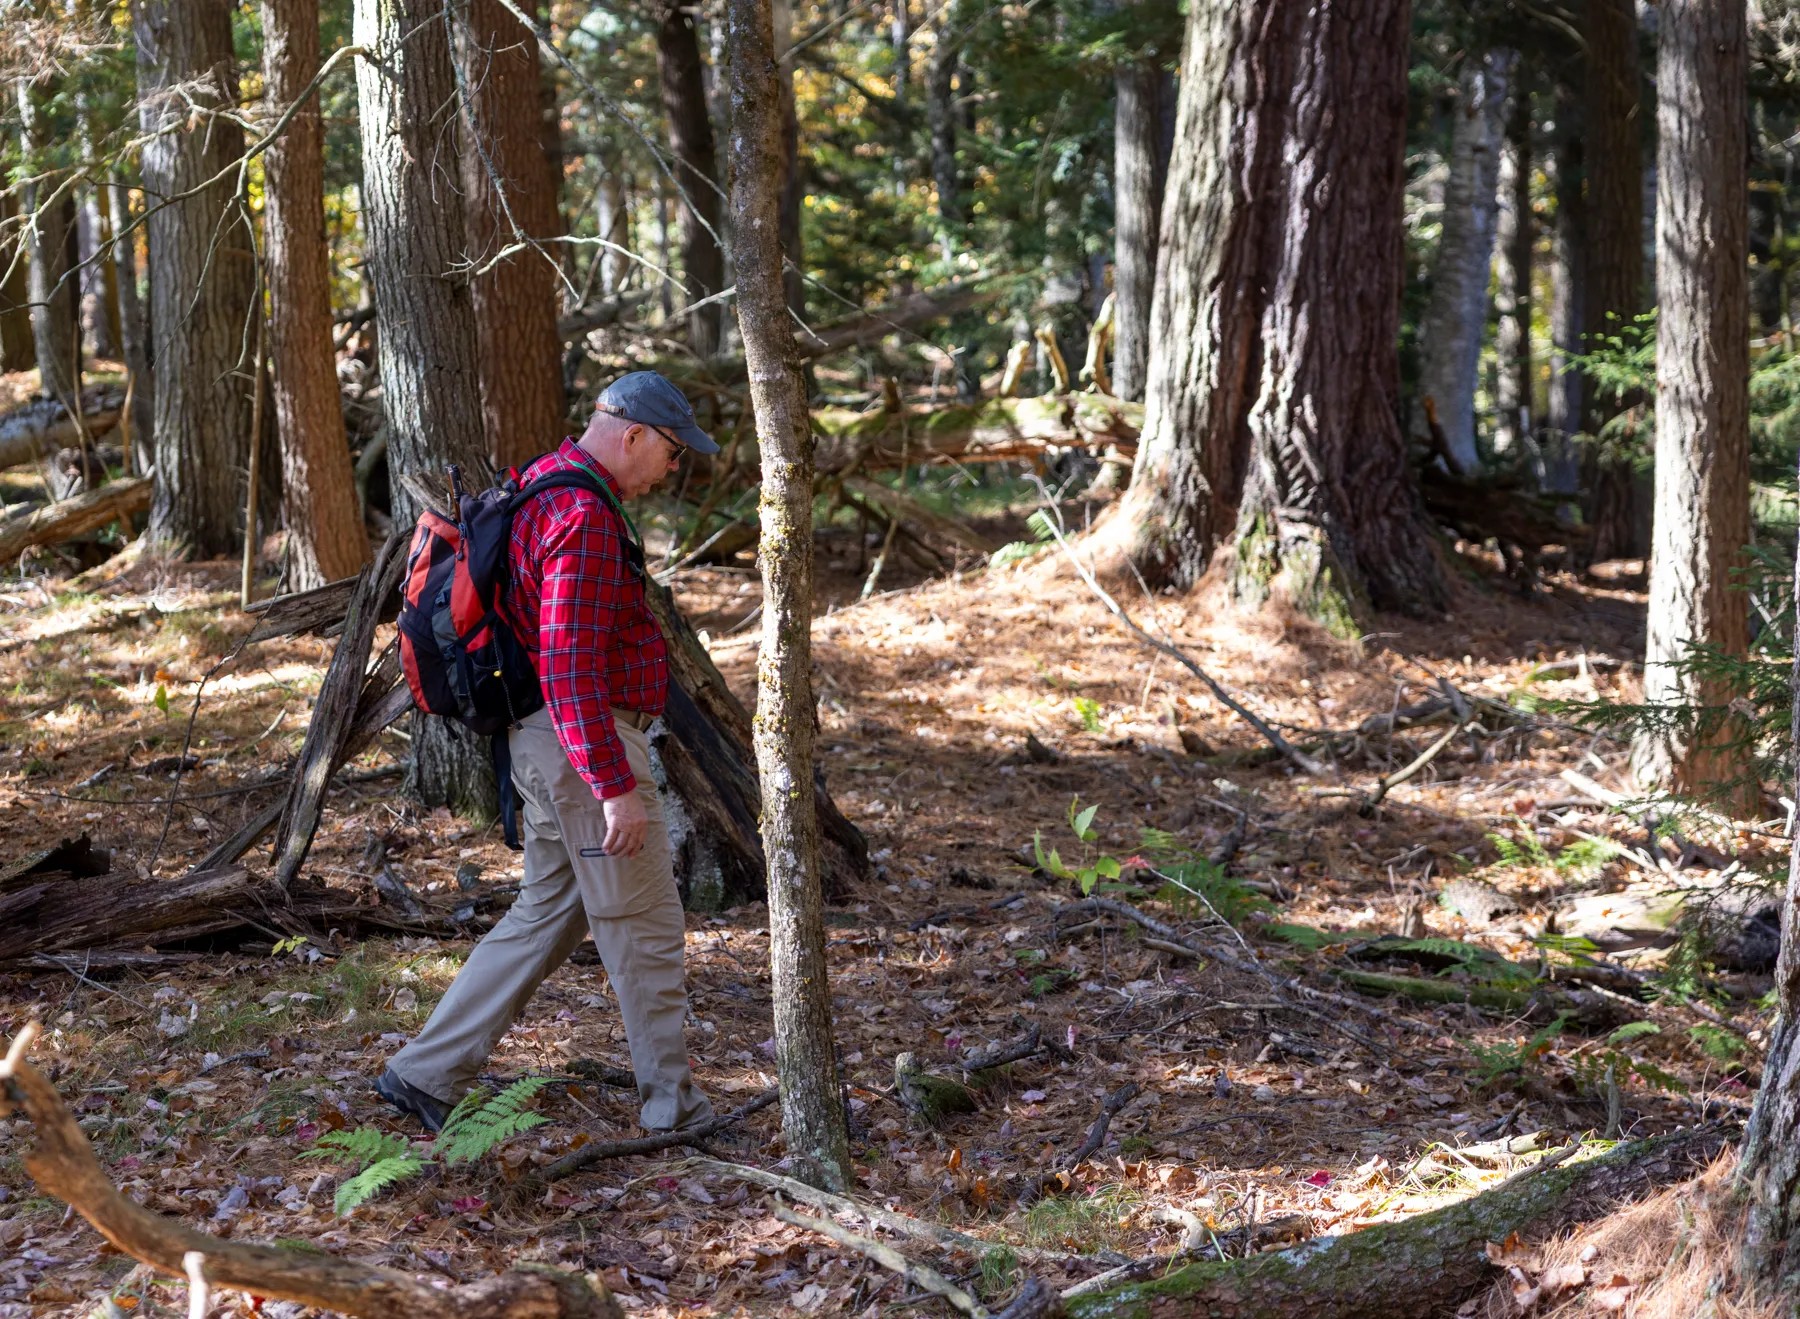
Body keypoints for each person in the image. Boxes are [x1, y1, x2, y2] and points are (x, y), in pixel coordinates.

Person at [376, 371, 721, 1134]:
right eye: (670, 452)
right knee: (645, 925)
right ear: (631, 435)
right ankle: (672, 1106)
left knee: (548, 914)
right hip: (581, 748)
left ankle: (424, 1072)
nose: (672, 470)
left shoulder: (542, 481)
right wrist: (613, 785)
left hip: (543, 741)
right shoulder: (584, 517)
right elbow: (567, 660)